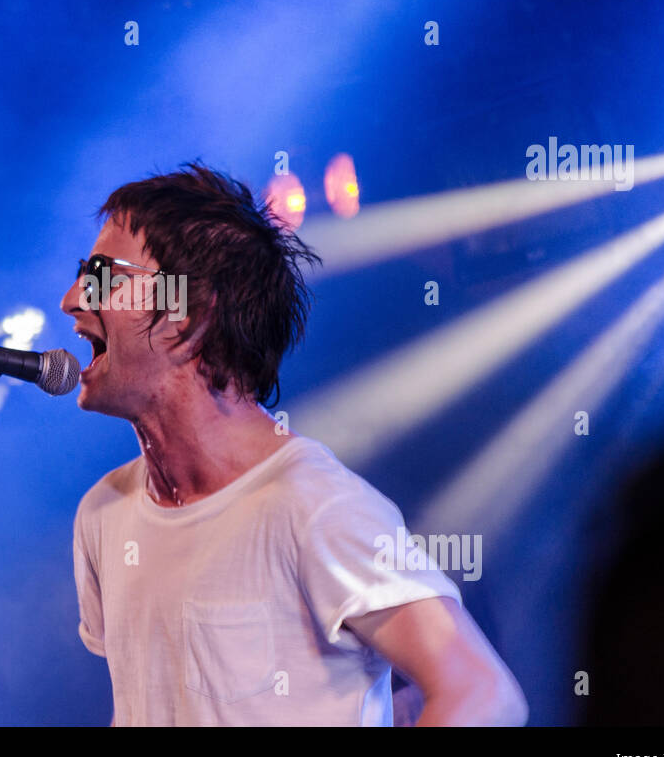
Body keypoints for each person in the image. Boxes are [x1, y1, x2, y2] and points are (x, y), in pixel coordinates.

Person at [61, 162, 528, 726]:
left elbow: (481, 694)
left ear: (190, 315)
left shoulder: (314, 506)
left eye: (103, 276)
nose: (72, 299)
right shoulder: (103, 513)